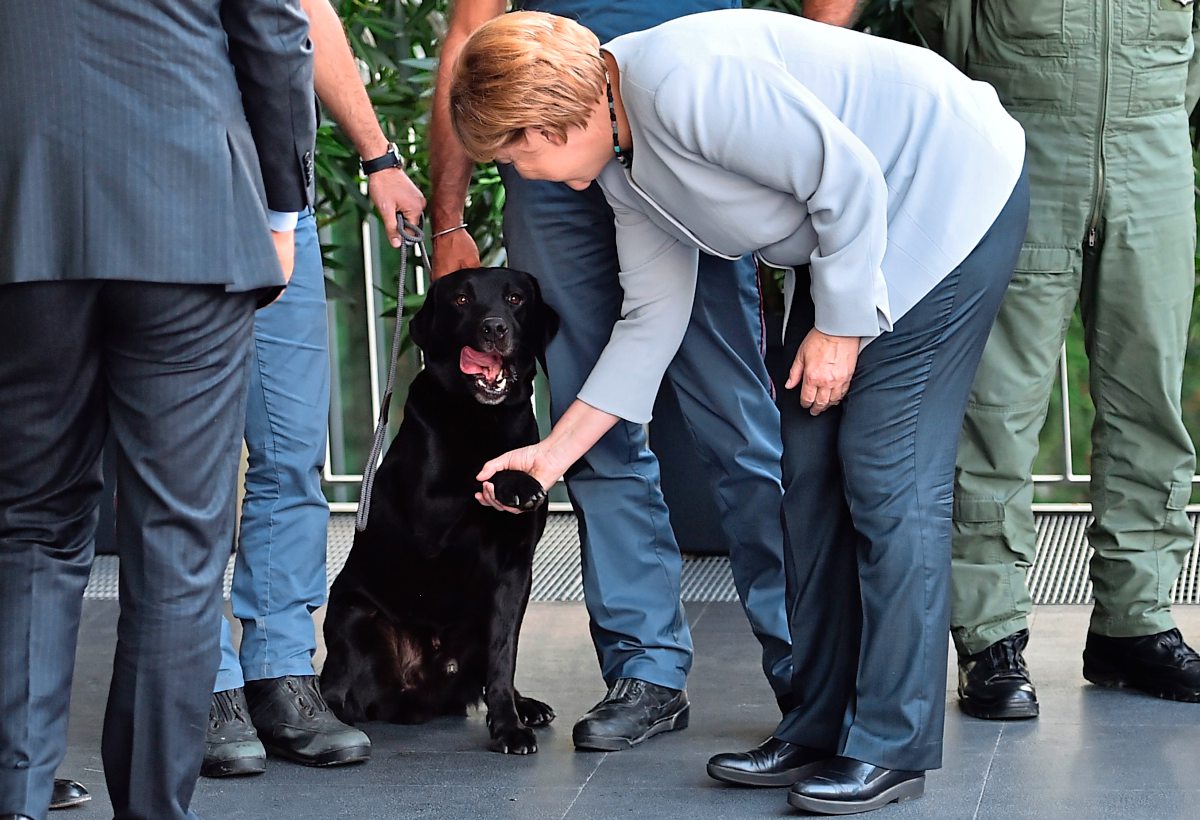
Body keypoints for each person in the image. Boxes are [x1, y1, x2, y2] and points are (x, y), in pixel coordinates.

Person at [450, 9, 1029, 814]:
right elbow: (651, 320)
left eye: (519, 154)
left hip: (944, 195)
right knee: (808, 469)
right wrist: (551, 456)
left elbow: (849, 177)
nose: (527, 173)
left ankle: (891, 744)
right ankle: (820, 724)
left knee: (885, 472)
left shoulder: (682, 85)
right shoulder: (621, 162)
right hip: (853, 236)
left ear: (554, 119)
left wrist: (839, 328)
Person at [429, 0, 795, 754]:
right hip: (542, 156)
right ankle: (644, 667)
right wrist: (449, 216)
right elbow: (470, 37)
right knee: (591, 426)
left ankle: (808, 657)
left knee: (738, 424)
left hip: (677, 130)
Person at [0, 1, 314, 818]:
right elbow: (275, 32)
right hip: (190, 204)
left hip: (21, 204)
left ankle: (16, 800)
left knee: (29, 524)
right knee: (176, 540)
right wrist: (283, 208)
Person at [913, 0, 1200, 719]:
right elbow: (946, 20)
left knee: (1151, 402)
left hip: (1155, 151)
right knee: (995, 409)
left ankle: (1135, 621)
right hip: (1024, 147)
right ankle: (990, 636)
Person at [202, 0, 426, 778]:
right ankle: (203, 677)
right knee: (184, 461)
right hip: (172, 181)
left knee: (294, 447)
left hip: (276, 195)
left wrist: (379, 157)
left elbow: (304, 14)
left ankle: (280, 669)